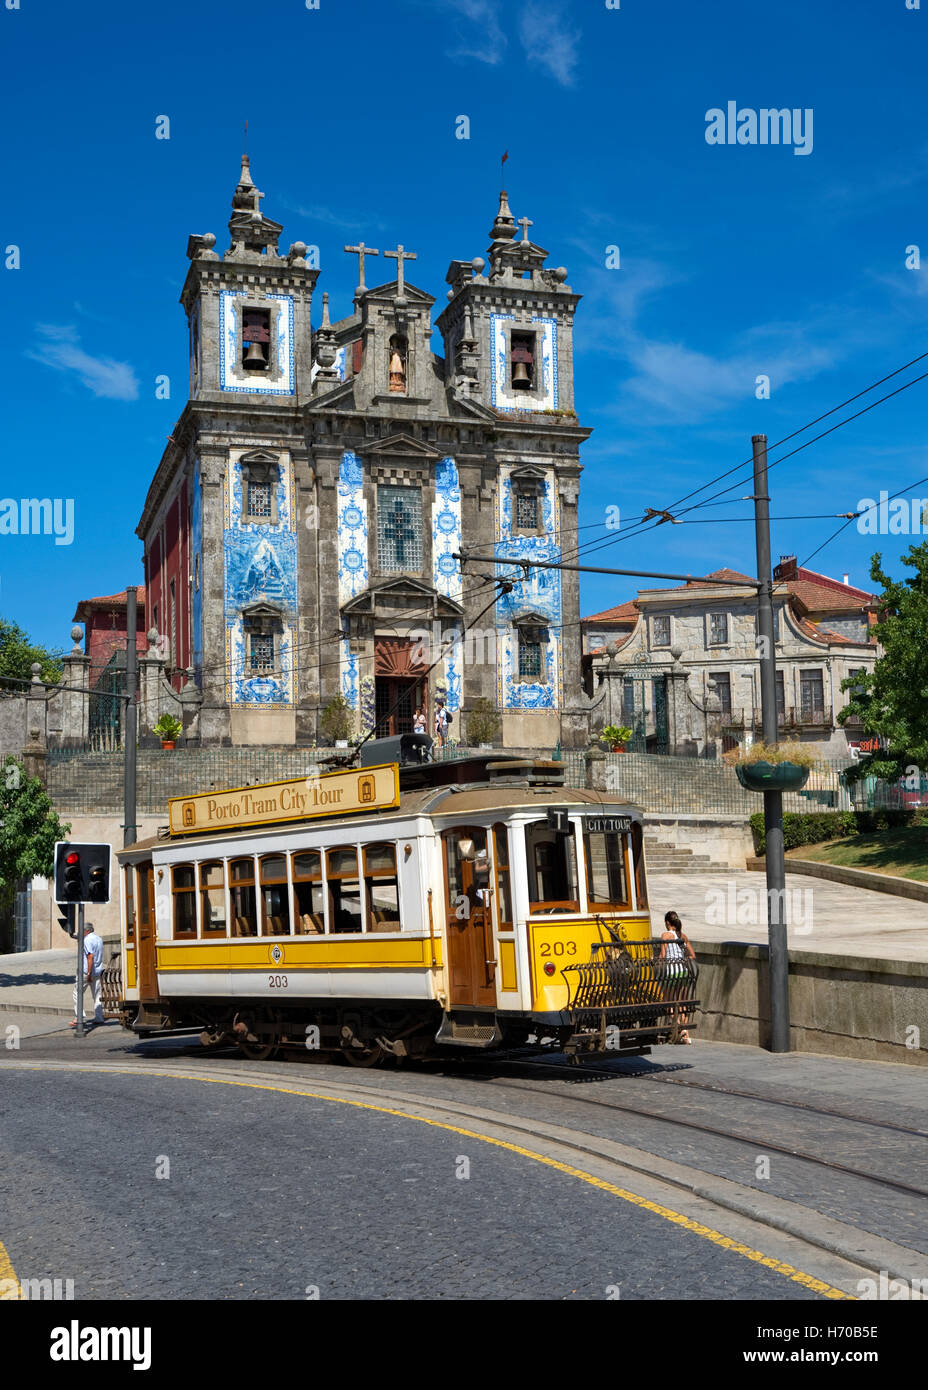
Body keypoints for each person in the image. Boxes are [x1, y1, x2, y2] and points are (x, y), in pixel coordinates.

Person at [659, 910, 696, 1044]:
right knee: (682, 1004)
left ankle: (679, 1027)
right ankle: (686, 1034)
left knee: (668, 1002)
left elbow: (663, 956)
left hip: (672, 973)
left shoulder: (665, 935)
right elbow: (693, 955)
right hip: (684, 972)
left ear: (667, 923)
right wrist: (683, 959)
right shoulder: (683, 936)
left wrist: (655, 961)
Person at [71, 922, 105, 1028]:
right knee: (97, 995)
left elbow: (90, 956)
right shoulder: (99, 939)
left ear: (87, 930)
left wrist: (89, 973)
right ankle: (99, 1017)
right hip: (98, 971)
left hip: (87, 972)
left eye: (82, 931)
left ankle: (80, 1017)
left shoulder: (87, 940)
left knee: (77, 993)